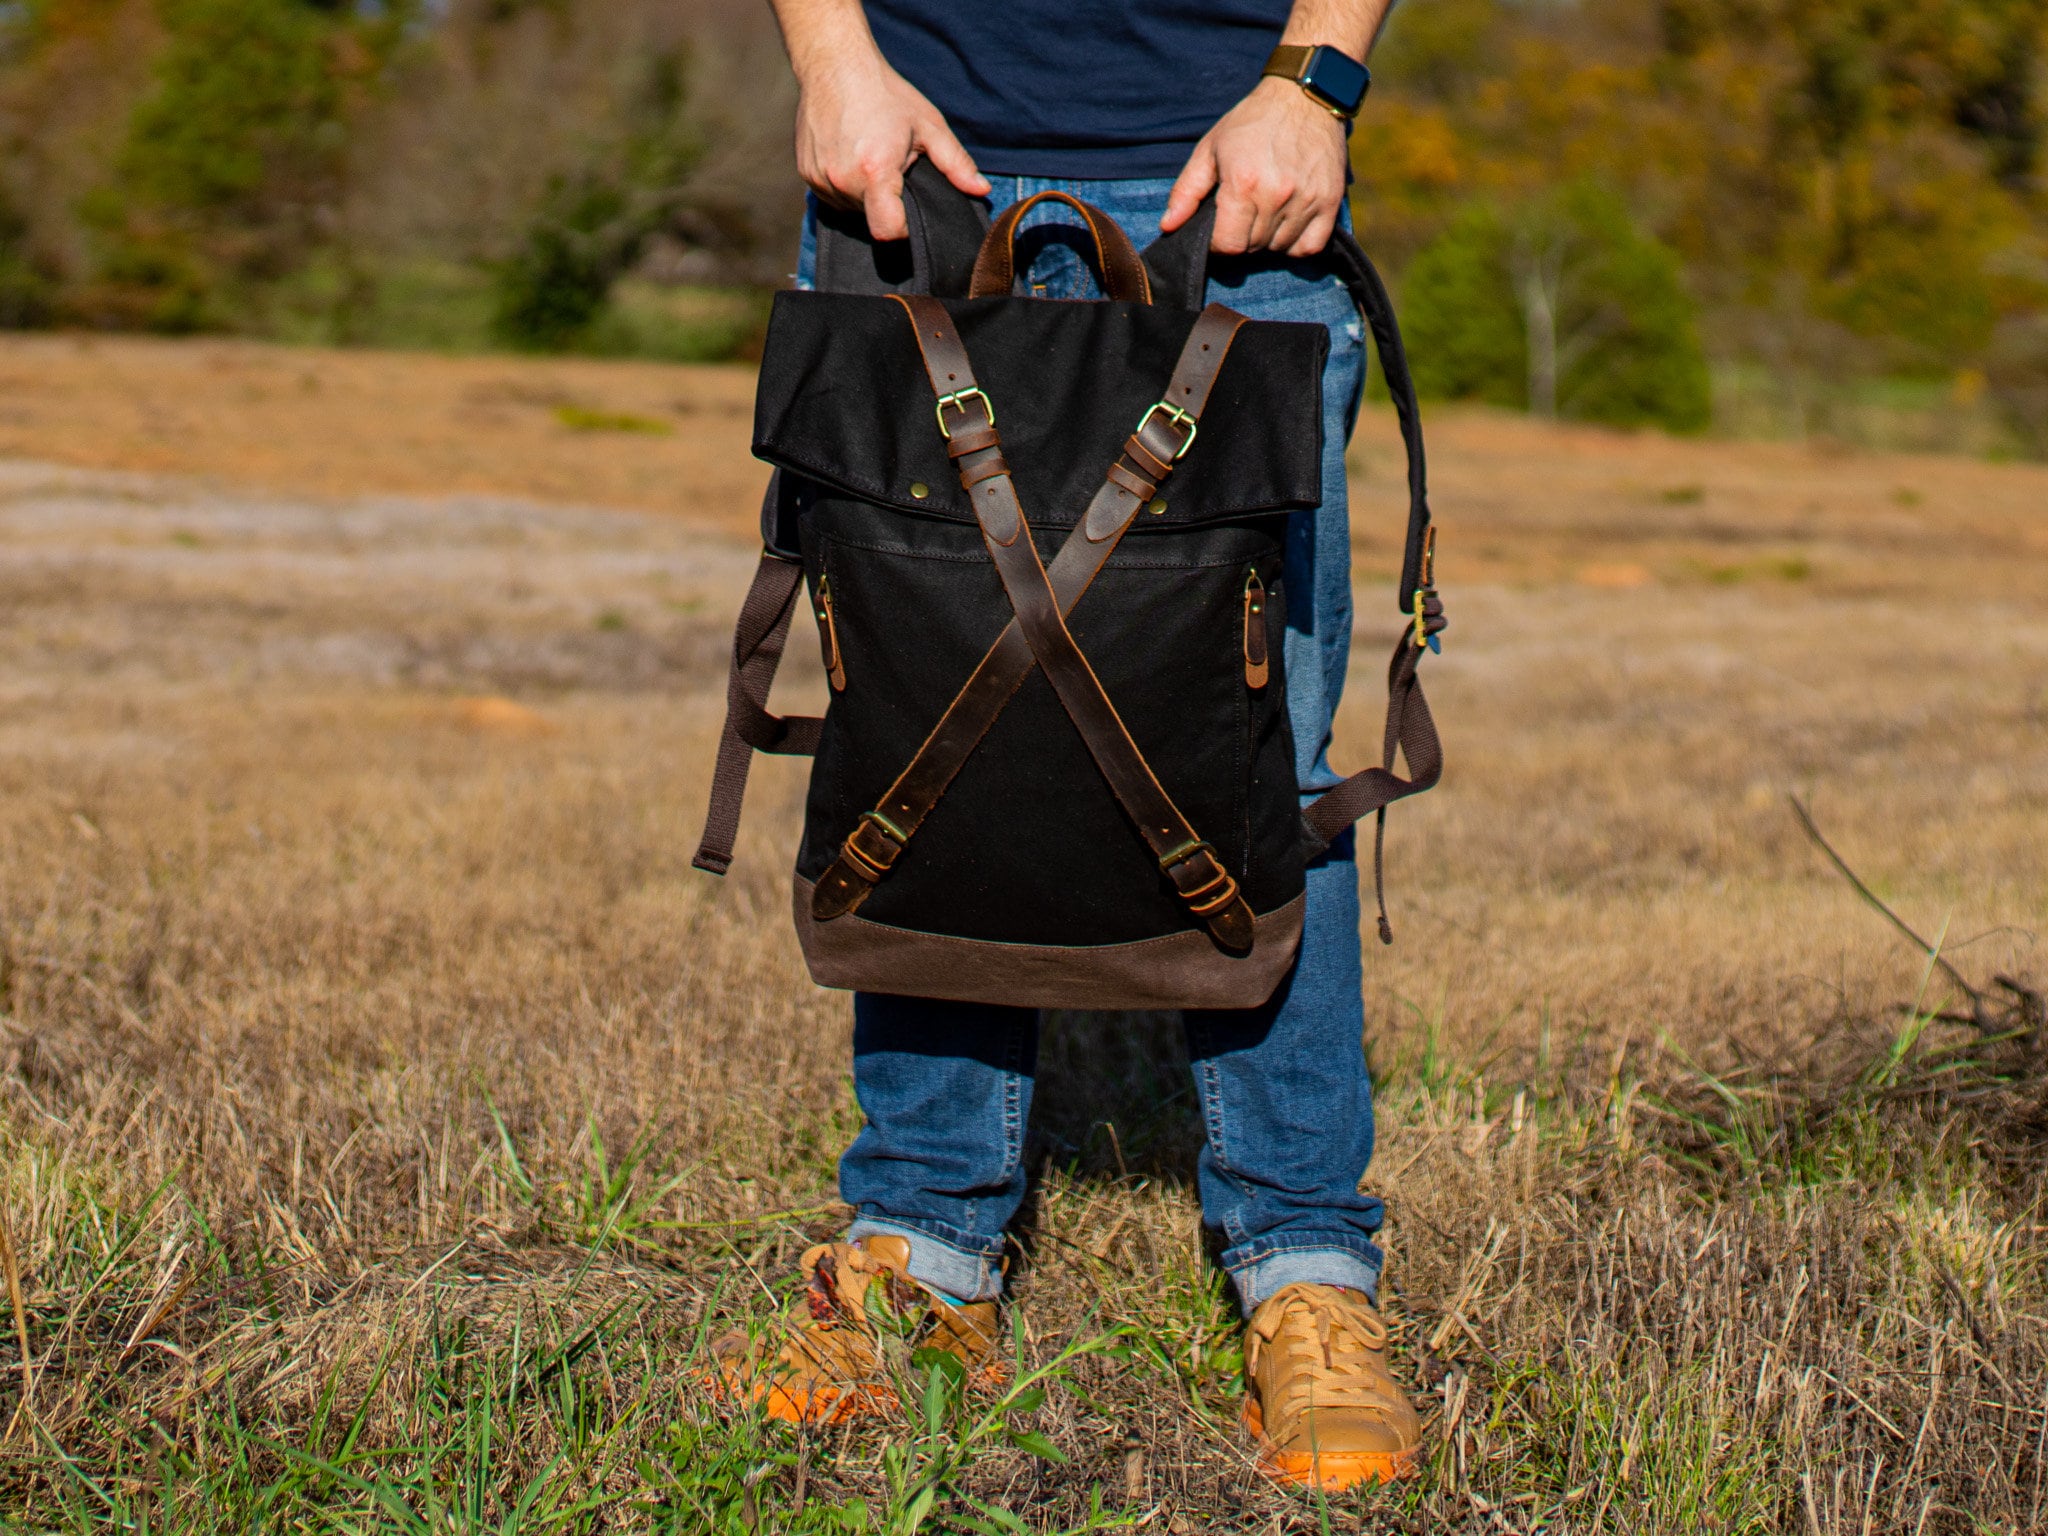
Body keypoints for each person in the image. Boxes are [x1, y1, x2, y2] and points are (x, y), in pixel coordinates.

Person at [714, 0, 1430, 1490]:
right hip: (911, 157)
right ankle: (924, 1243)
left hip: (1242, 168)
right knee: (923, 710)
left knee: (1265, 745)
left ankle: (1305, 1265)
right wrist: (831, 58)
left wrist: (1316, 81)